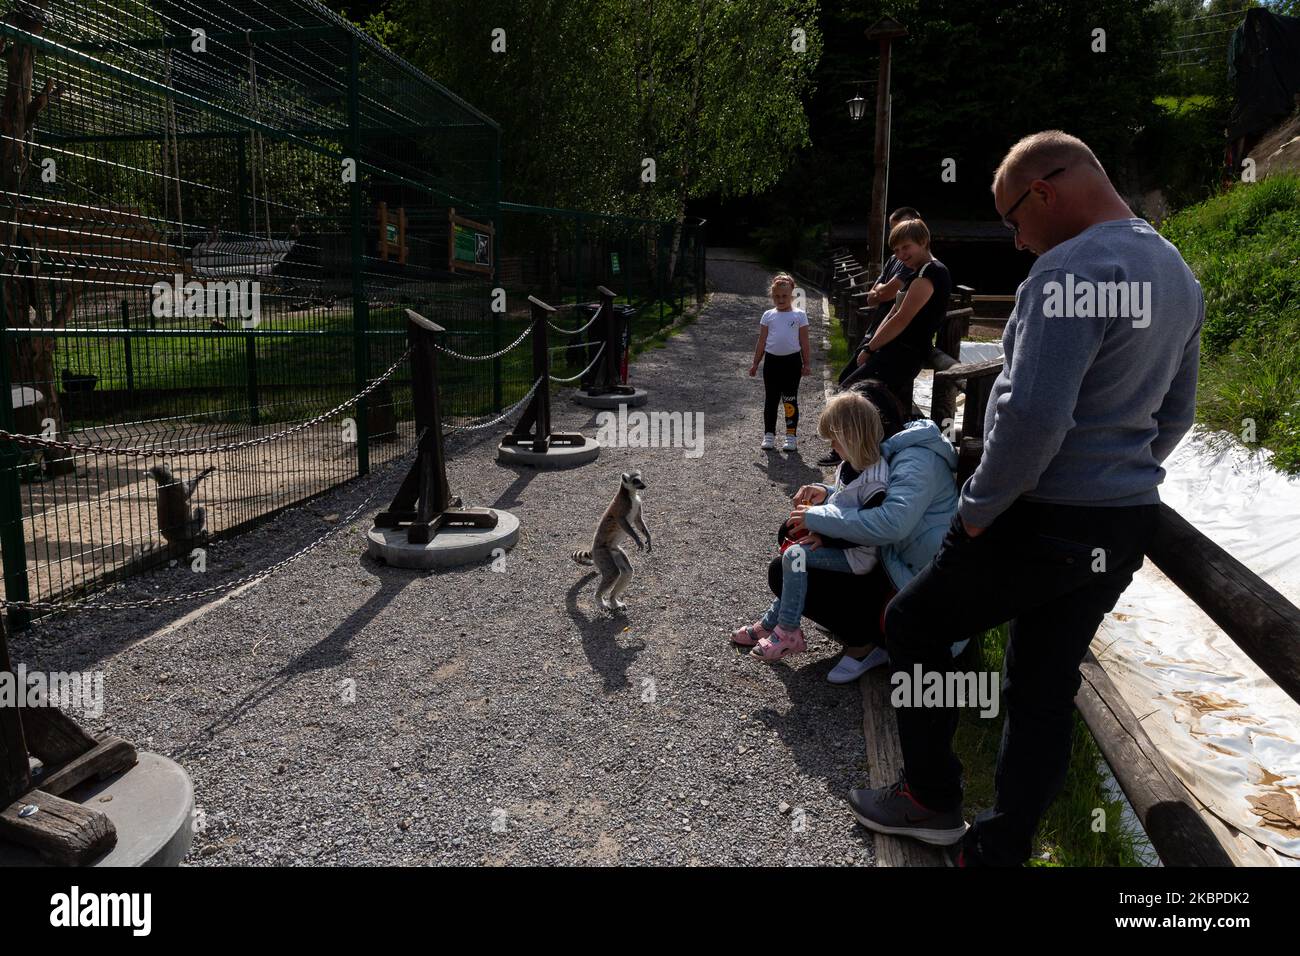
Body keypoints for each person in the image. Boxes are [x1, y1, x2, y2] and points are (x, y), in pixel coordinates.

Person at [847, 130, 1205, 865]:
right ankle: (1001, 849)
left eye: (1013, 218)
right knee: (1043, 685)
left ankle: (930, 798)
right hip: (1122, 521)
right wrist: (1121, 478)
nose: (1016, 240)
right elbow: (1177, 416)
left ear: (1044, 190)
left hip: (1039, 517)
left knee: (912, 624)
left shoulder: (1070, 267)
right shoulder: (1175, 272)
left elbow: (1035, 418)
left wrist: (976, 510)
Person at [770, 379, 965, 685]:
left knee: (789, 567)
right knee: (792, 547)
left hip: (916, 587)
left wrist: (818, 519)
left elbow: (890, 522)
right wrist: (825, 492)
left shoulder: (916, 460)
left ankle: (868, 641)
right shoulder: (892, 450)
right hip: (894, 565)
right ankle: (858, 632)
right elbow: (870, 493)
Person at [732, 391, 890, 662]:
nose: (832, 446)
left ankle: (788, 631)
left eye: (835, 441)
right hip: (841, 540)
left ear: (852, 438)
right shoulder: (851, 465)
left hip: (856, 555)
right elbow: (844, 499)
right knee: (794, 553)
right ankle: (772, 623)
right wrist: (825, 492)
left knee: (795, 557)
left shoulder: (875, 482)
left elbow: (869, 530)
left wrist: (827, 540)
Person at [821, 207, 922, 468]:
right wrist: (880, 292)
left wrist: (880, 293)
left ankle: (861, 450)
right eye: (894, 233)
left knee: (858, 390)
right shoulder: (896, 261)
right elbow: (875, 291)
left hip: (888, 340)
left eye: (903, 234)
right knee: (848, 383)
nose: (899, 245)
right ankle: (849, 448)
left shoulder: (918, 267)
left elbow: (888, 296)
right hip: (876, 331)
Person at [840, 219, 952, 415]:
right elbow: (893, 312)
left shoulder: (931, 273)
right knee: (846, 386)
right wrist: (871, 346)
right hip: (891, 349)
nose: (901, 255)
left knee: (852, 397)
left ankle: (866, 444)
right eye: (897, 250)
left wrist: (870, 348)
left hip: (905, 353)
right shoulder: (916, 272)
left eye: (906, 247)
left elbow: (902, 318)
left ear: (924, 241)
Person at [748, 273, 811, 452]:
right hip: (772, 362)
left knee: (790, 399)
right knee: (771, 399)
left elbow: (805, 342)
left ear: (792, 295)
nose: (780, 299)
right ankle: (769, 434)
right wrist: (755, 363)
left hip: (792, 363)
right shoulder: (768, 315)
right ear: (772, 296)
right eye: (776, 296)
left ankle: (791, 436)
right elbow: (761, 341)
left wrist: (806, 364)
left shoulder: (800, 316)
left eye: (784, 296)